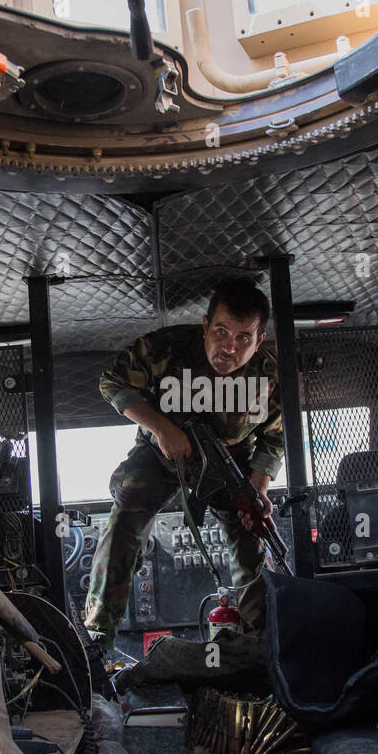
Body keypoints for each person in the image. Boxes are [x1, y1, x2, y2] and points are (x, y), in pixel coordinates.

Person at [83, 277, 284, 653]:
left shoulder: (267, 376)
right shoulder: (167, 348)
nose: (229, 347)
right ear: (205, 326)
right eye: (221, 331)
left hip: (230, 460)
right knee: (124, 519)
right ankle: (97, 640)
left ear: (258, 341)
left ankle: (260, 648)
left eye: (244, 338)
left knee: (253, 537)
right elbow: (112, 381)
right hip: (162, 454)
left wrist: (258, 489)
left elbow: (274, 437)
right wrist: (161, 427)